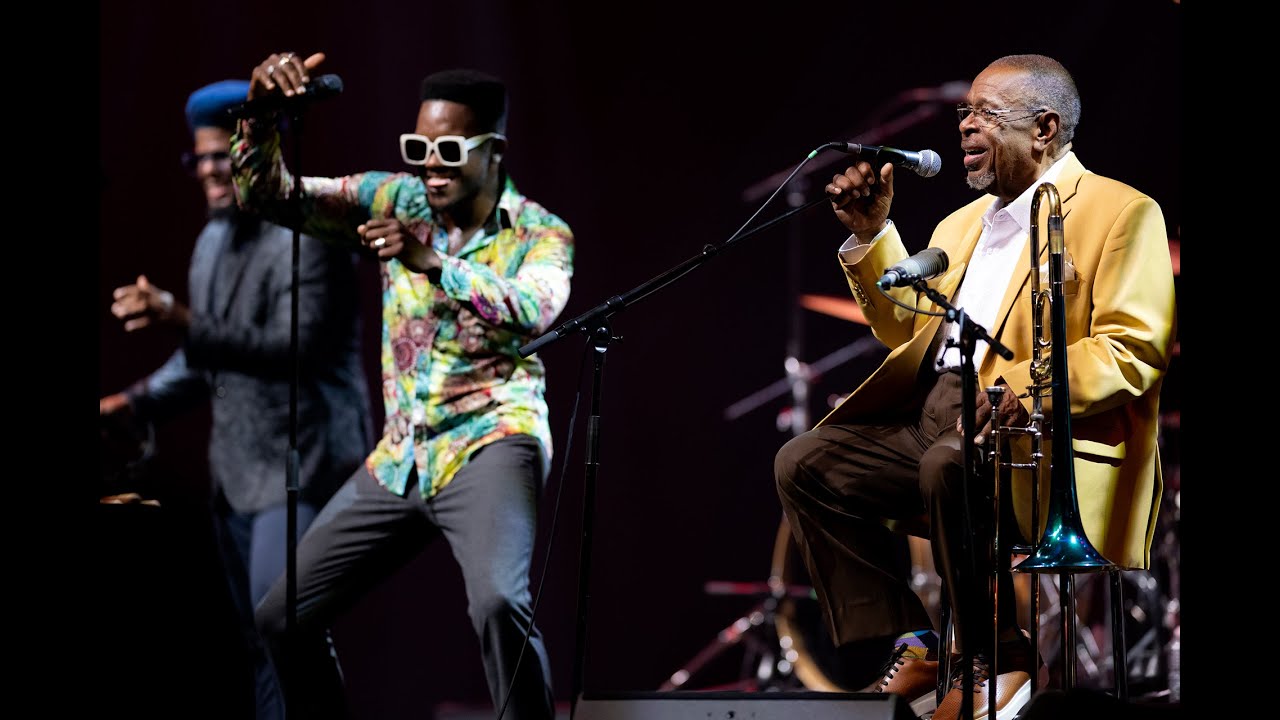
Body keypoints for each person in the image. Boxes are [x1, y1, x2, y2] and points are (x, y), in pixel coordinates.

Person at [774, 54, 1175, 720]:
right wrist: (873, 235)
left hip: (1040, 439)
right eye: (964, 113)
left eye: (985, 113)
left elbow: (1133, 347)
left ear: (1043, 127)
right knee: (805, 463)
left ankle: (998, 655)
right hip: (938, 415)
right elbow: (903, 328)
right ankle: (916, 641)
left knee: (950, 462)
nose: (963, 127)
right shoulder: (959, 226)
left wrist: (1024, 387)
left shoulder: (1121, 211)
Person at [229, 52, 574, 720]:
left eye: (448, 150)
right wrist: (263, 113)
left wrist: (430, 261)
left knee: (501, 604)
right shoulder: (395, 197)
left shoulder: (539, 232)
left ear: (493, 150)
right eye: (418, 147)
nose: (430, 165)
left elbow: (534, 307)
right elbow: (265, 193)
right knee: (281, 616)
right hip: (401, 456)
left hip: (491, 441)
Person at [99, 79, 374, 720]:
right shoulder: (213, 238)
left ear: (256, 155)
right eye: (199, 158)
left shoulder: (309, 234)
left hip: (302, 461)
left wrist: (179, 318)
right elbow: (207, 358)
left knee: (285, 624)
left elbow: (291, 347)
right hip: (236, 473)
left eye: (223, 155)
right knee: (257, 641)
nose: (210, 172)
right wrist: (129, 402)